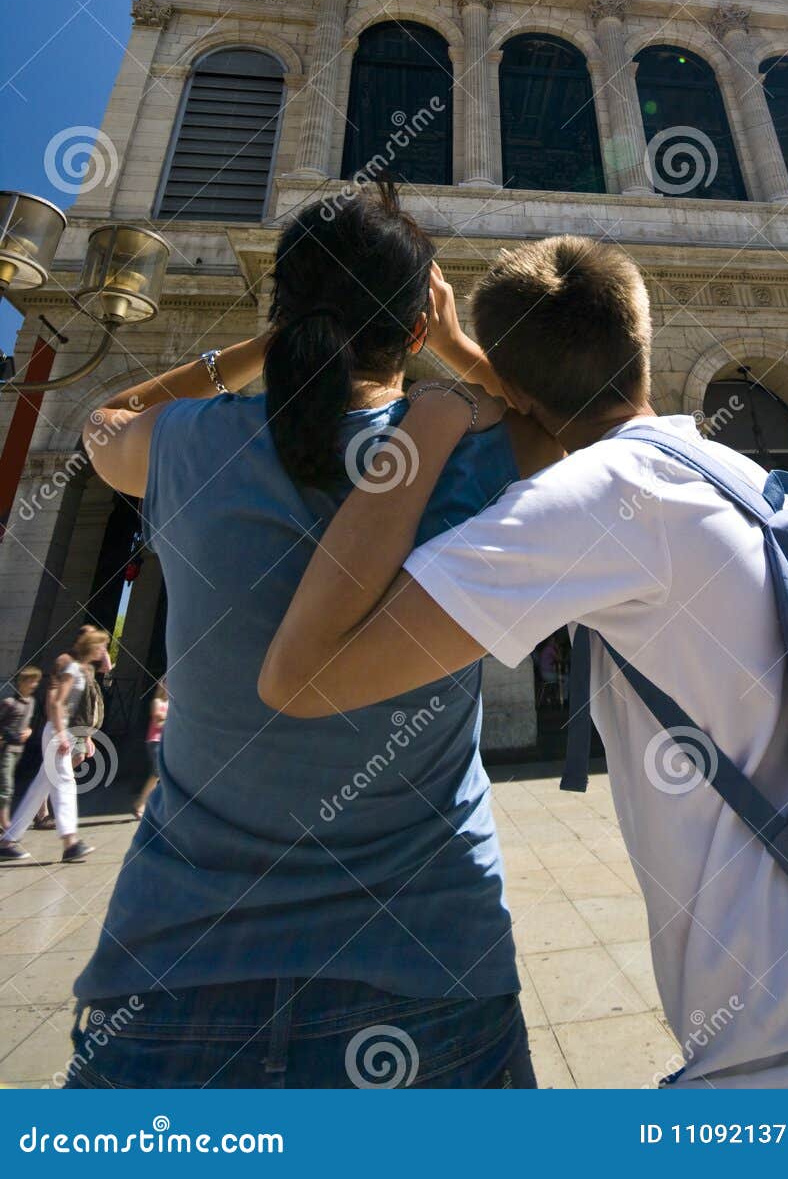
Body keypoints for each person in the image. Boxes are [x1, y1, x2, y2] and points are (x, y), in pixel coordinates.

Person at [261, 236, 788, 1090]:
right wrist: (485, 359)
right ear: (644, 342)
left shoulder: (591, 507)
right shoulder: (725, 471)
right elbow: (573, 414)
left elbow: (301, 677)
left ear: (517, 389)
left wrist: (432, 419)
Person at [65, 184, 554, 1089]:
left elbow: (104, 420)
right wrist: (456, 353)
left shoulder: (183, 443)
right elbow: (577, 427)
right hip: (427, 968)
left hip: (173, 976)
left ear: (279, 309)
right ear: (413, 327)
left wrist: (264, 345)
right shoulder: (472, 449)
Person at [0, 629, 110, 864]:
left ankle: (7, 841)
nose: (103, 651)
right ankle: (70, 842)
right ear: (91, 647)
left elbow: (104, 669)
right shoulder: (71, 668)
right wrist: (61, 735)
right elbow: (58, 703)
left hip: (64, 732)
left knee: (40, 788)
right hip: (58, 732)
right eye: (100, 646)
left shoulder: (82, 668)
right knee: (65, 782)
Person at [0, 667, 42, 831]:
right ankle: (4, 822)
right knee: (6, 787)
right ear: (21, 682)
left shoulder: (31, 702)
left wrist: (29, 731)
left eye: (35, 681)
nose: (33, 684)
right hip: (6, 750)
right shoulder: (9, 703)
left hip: (18, 750)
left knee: (6, 785)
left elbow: (29, 724)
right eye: (30, 681)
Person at [132, 680, 168, 820]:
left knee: (158, 774)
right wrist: (170, 718)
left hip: (164, 741)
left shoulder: (170, 703)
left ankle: (145, 804)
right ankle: (141, 804)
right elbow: (158, 722)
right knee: (156, 773)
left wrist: (166, 718)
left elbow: (162, 719)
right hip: (154, 741)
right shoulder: (157, 702)